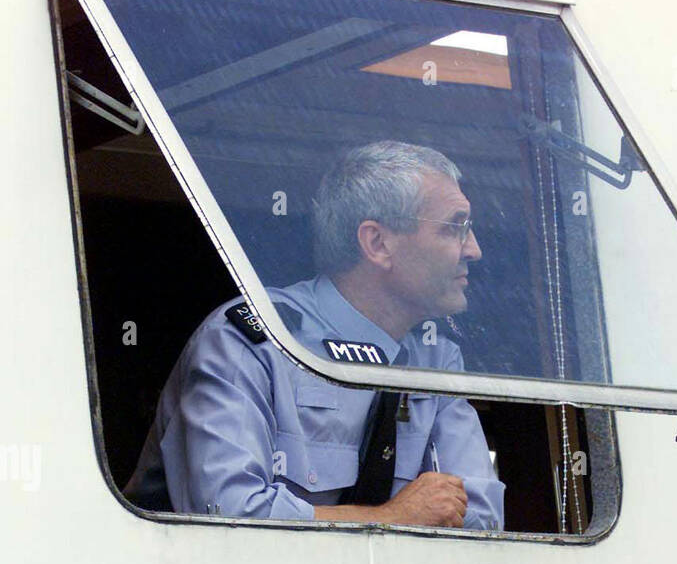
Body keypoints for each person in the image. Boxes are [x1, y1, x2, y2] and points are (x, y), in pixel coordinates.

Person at [126, 140, 504, 531]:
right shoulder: (251, 343)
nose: (473, 250)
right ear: (377, 243)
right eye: (454, 228)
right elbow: (227, 518)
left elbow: (481, 520)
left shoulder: (435, 359)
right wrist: (388, 519)